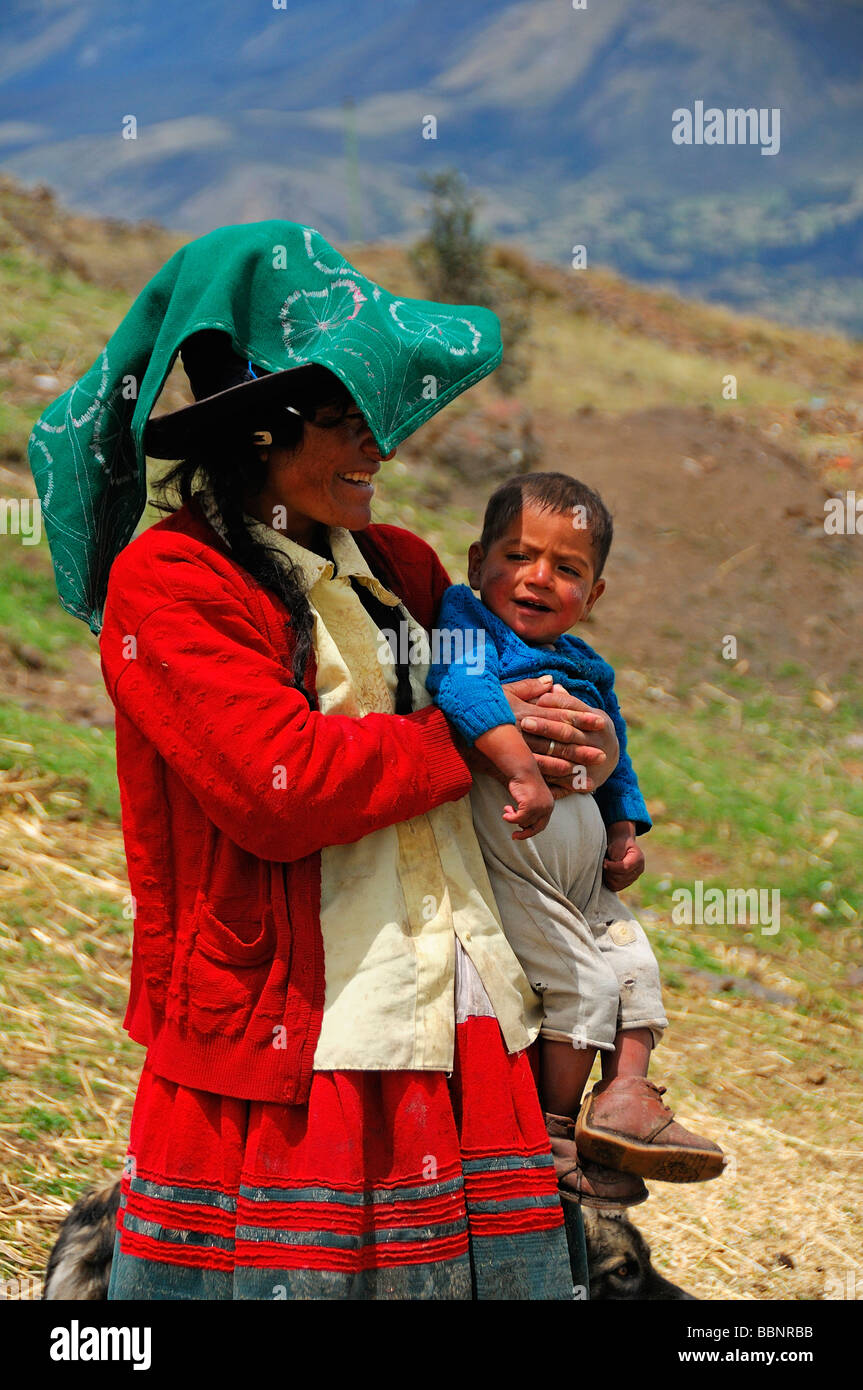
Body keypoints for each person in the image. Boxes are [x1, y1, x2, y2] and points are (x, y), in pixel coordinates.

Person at [29, 220, 623, 1299]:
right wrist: (467, 737)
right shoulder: (169, 586)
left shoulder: (396, 562)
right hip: (288, 1029)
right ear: (256, 432)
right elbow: (280, 784)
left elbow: (495, 686)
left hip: (448, 999)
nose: (378, 453)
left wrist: (563, 740)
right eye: (345, 426)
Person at [426, 471, 727, 1209]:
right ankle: (553, 1133)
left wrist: (624, 827)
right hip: (519, 866)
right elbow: (459, 690)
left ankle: (624, 1101)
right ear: (474, 563)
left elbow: (612, 747)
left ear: (591, 597)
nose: (537, 578)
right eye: (518, 556)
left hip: (584, 875)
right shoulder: (466, 622)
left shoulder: (587, 666)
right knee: (583, 985)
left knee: (635, 965)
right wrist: (519, 769)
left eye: (566, 569)